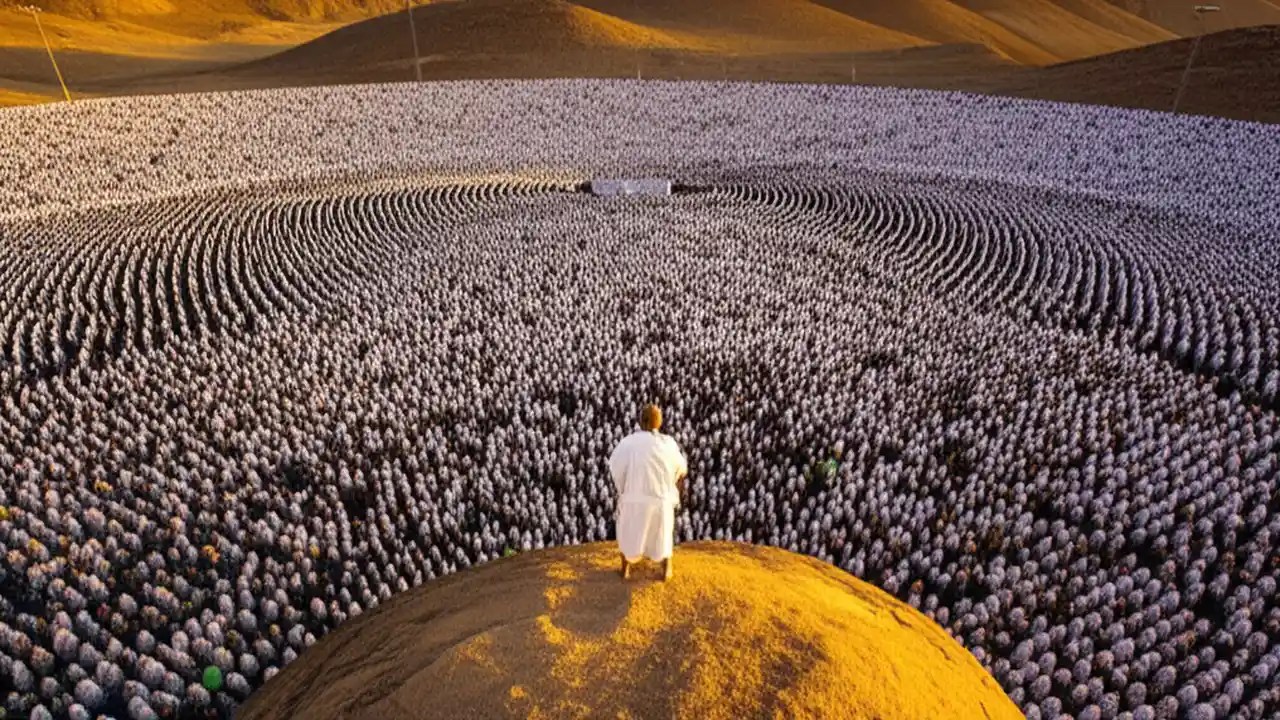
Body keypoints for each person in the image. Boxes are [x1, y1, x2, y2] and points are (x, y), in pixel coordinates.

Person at [609, 403, 688, 581]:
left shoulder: (628, 442)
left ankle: (625, 569)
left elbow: (615, 467)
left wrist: (625, 490)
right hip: (661, 500)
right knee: (663, 535)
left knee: (628, 533)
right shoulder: (668, 443)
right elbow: (682, 469)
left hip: (633, 500)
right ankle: (666, 568)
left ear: (640, 421)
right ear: (658, 423)